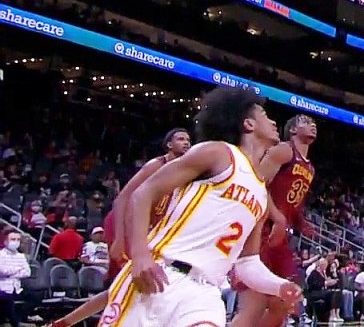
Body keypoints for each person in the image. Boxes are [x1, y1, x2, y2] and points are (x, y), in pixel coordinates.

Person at [100, 87, 303, 327]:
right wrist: (140, 254)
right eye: (265, 115)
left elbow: (247, 264)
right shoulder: (218, 153)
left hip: (204, 294)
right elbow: (143, 193)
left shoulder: (260, 193)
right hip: (160, 273)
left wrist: (280, 286)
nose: (273, 121)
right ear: (248, 124)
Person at [45, 129, 192, 327]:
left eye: (188, 140)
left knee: (125, 284)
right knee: (130, 283)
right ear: (168, 145)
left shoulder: (184, 173)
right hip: (121, 221)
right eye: (180, 139)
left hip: (142, 228)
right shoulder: (156, 166)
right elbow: (122, 198)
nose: (186, 143)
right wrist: (119, 239)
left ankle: (64, 323)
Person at [230, 114, 317, 327]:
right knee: (253, 306)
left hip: (280, 238)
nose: (313, 125)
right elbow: (256, 182)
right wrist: (277, 216)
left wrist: (300, 221)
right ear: (293, 130)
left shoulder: (310, 168)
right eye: (305, 122)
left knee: (286, 302)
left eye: (314, 123)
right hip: (261, 231)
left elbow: (292, 201)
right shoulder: (285, 150)